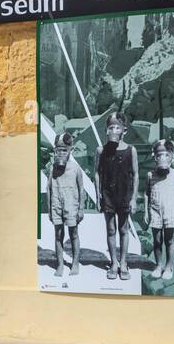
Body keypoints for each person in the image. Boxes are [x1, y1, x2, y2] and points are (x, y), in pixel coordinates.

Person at [95, 112, 138, 281]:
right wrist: (99, 195)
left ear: (124, 130)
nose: (114, 130)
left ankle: (124, 262)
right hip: (108, 195)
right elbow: (97, 173)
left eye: (117, 127)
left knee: (123, 229)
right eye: (111, 127)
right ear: (106, 131)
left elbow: (135, 175)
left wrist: (134, 198)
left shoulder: (131, 150)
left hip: (124, 194)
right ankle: (114, 263)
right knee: (111, 229)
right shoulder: (100, 150)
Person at [44, 132, 91, 278]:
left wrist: (81, 209)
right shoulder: (52, 169)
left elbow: (81, 190)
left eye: (64, 150)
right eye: (58, 150)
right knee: (58, 235)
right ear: (55, 151)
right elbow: (49, 189)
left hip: (72, 206)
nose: (61, 153)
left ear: (70, 150)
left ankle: (75, 263)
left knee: (73, 234)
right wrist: (50, 211)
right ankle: (60, 265)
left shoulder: (76, 169)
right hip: (56, 205)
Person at [146, 139, 174, 280]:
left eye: (166, 155)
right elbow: (147, 194)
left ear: (172, 157)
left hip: (172, 211)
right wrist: (146, 212)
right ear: (155, 157)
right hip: (155, 211)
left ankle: (169, 267)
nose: (163, 158)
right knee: (157, 240)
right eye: (159, 155)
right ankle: (159, 265)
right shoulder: (151, 175)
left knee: (169, 241)